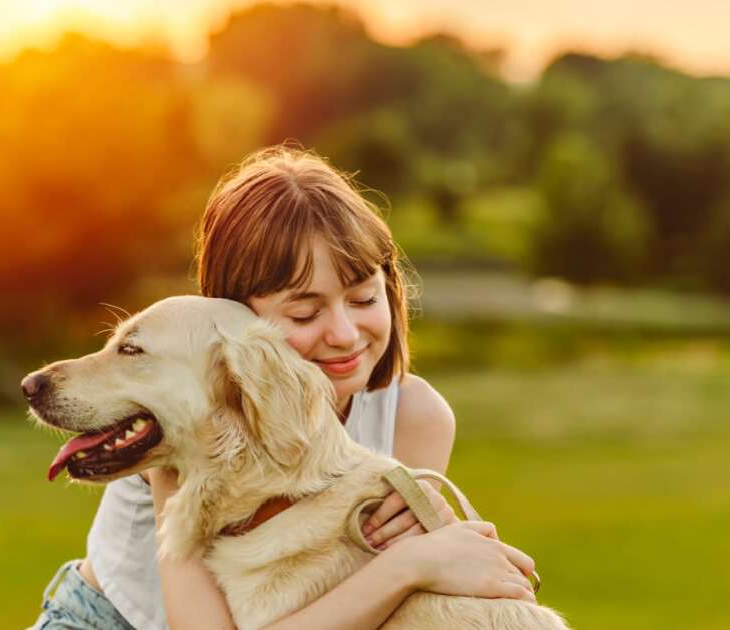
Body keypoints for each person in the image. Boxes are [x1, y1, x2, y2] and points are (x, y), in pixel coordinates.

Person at [29, 146, 537, 630]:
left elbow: (370, 609)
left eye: (363, 299)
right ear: (234, 317)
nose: (342, 334)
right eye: (304, 312)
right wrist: (411, 564)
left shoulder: (413, 417)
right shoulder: (189, 424)